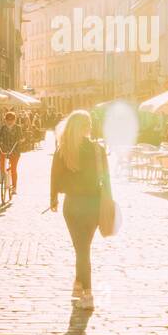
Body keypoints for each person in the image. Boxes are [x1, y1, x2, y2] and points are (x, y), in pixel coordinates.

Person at [49, 110, 110, 311]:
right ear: (86, 127)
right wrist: (108, 201)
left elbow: (54, 175)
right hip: (92, 203)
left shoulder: (64, 149)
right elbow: (107, 179)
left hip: (72, 205)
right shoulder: (97, 149)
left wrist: (53, 198)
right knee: (84, 249)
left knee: (81, 249)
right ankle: (84, 289)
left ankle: (84, 288)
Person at [0, 111, 24, 198]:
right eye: (8, 119)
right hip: (4, 149)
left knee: (13, 169)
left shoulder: (18, 128)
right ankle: (2, 175)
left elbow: (21, 137)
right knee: (2, 161)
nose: (10, 121)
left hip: (15, 150)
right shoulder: (3, 128)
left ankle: (14, 187)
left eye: (12, 119)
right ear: (5, 120)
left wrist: (21, 140)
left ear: (14, 120)